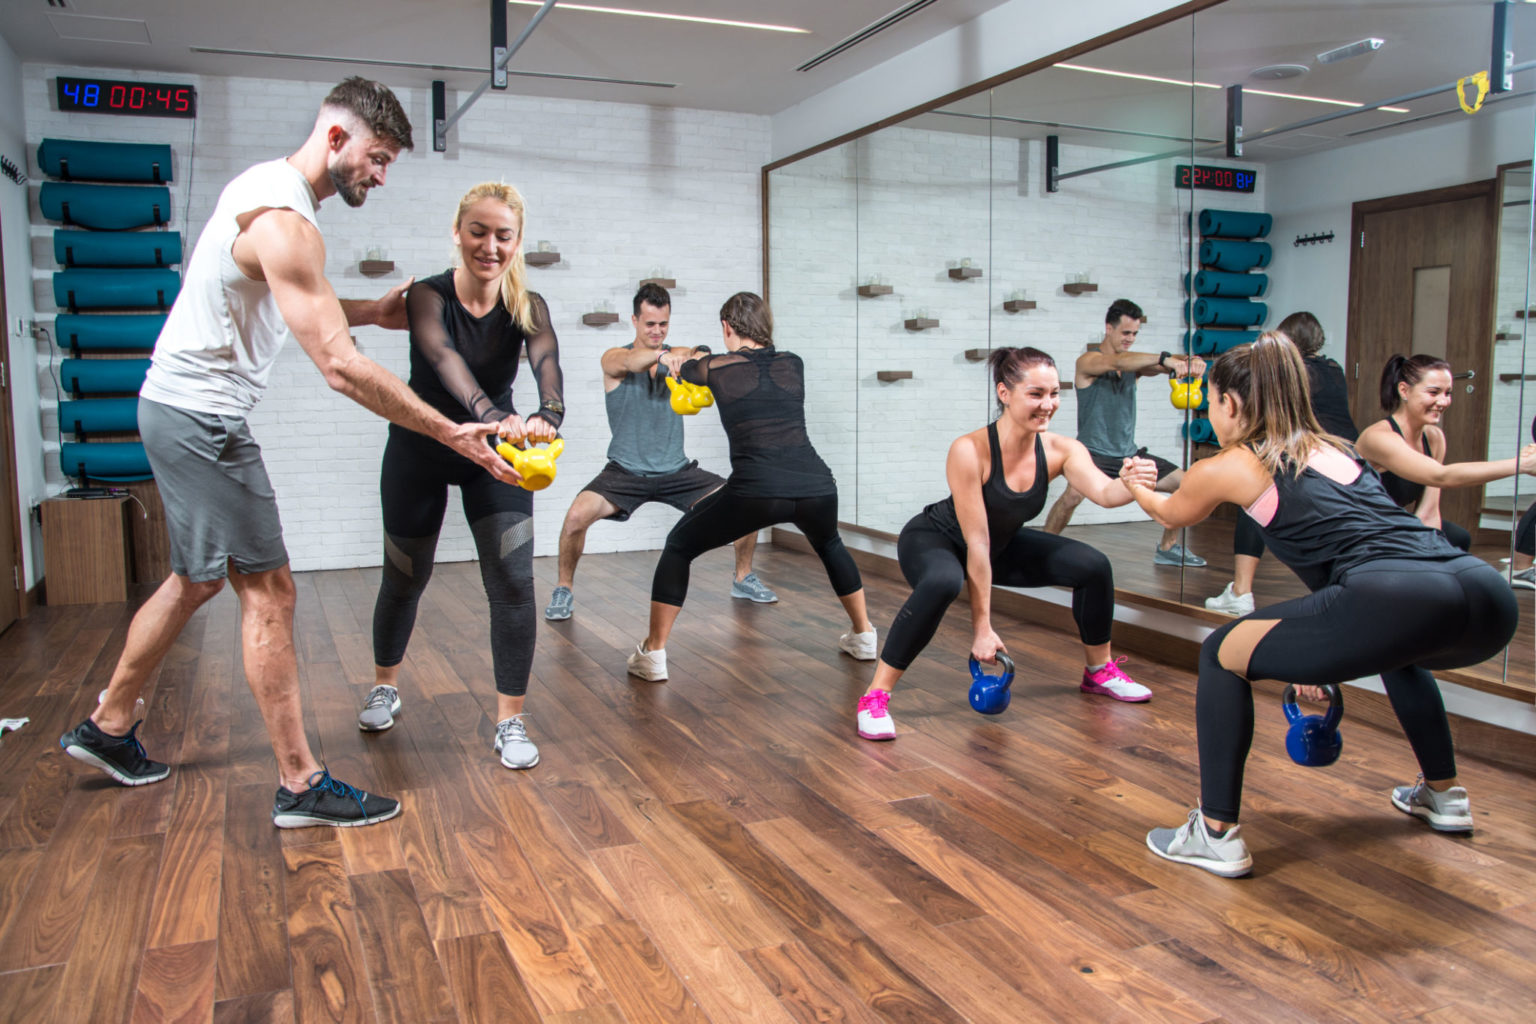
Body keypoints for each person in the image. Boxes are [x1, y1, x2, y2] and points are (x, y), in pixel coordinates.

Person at [60, 78, 520, 828]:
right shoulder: (285, 220)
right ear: (336, 138)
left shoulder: (270, 195)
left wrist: (369, 310)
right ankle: (301, 784)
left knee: (193, 581)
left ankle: (107, 726)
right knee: (270, 593)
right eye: (377, 158)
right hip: (203, 422)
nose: (380, 175)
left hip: (176, 410)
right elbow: (338, 368)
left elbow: (289, 296)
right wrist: (450, 431)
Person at [1123, 333, 1518, 877]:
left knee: (1220, 652)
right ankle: (1444, 796)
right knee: (1400, 653)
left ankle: (1214, 834)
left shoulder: (1233, 462)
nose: (1212, 414)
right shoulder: (1338, 448)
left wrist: (1135, 483)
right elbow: (1346, 550)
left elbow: (1171, 513)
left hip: (1395, 596)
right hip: (1482, 594)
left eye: (1212, 402)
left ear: (1231, 404)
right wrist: (1322, 650)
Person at [356, 182, 563, 771]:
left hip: (493, 459)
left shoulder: (530, 303)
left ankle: (510, 719)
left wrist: (548, 415)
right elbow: (445, 360)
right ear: (457, 231)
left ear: (517, 241)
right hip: (421, 449)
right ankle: (385, 684)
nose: (490, 246)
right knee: (404, 576)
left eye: (503, 235)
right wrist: (496, 416)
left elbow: (546, 360)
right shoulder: (427, 295)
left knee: (513, 582)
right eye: (478, 231)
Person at [855, 348, 1160, 742]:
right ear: (1004, 393)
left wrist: (1133, 480)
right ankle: (875, 696)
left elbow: (1105, 493)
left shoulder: (1061, 450)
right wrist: (982, 628)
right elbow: (975, 541)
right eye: (1036, 394)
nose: (1048, 405)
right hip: (935, 539)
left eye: (1054, 393)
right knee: (943, 582)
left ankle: (1099, 671)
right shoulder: (970, 450)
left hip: (998, 545)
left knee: (1093, 565)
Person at [626, 292, 874, 682]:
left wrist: (670, 357)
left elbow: (684, 370)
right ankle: (864, 636)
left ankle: (652, 653)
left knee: (679, 546)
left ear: (727, 327)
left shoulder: (719, 367)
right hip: (817, 486)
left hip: (758, 491)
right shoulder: (794, 363)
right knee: (829, 545)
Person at [544, 283, 774, 622]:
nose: (657, 331)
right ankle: (564, 588)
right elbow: (632, 360)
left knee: (745, 500)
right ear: (635, 320)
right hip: (624, 472)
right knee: (576, 517)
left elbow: (698, 353)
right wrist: (663, 355)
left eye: (663, 324)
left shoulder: (676, 353)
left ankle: (743, 577)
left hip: (677, 472)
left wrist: (692, 354)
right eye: (650, 324)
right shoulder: (614, 359)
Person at [1206, 312, 1359, 615]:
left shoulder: (1293, 373)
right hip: (1346, 457)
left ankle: (1241, 591)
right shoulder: (1333, 369)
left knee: (1252, 502)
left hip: (1312, 455)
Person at [1043, 298, 1207, 566]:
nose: (1130, 338)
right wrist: (1168, 359)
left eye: (1134, 334)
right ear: (1109, 328)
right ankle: (1041, 548)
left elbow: (1156, 365)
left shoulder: (1133, 367)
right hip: (1092, 453)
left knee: (1188, 485)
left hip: (1129, 455)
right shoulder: (1088, 362)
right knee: (1071, 497)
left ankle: (1167, 548)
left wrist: (1187, 362)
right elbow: (1117, 360)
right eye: (1125, 332)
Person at [1354, 354, 1536, 555]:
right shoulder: (1379, 438)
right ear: (1404, 390)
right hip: (1362, 531)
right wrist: (1522, 464)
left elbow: (1429, 512)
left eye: (1448, 393)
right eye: (1433, 392)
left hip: (1394, 525)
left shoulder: (1433, 437)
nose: (1443, 401)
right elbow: (1442, 476)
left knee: (1456, 538)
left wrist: (1432, 553)